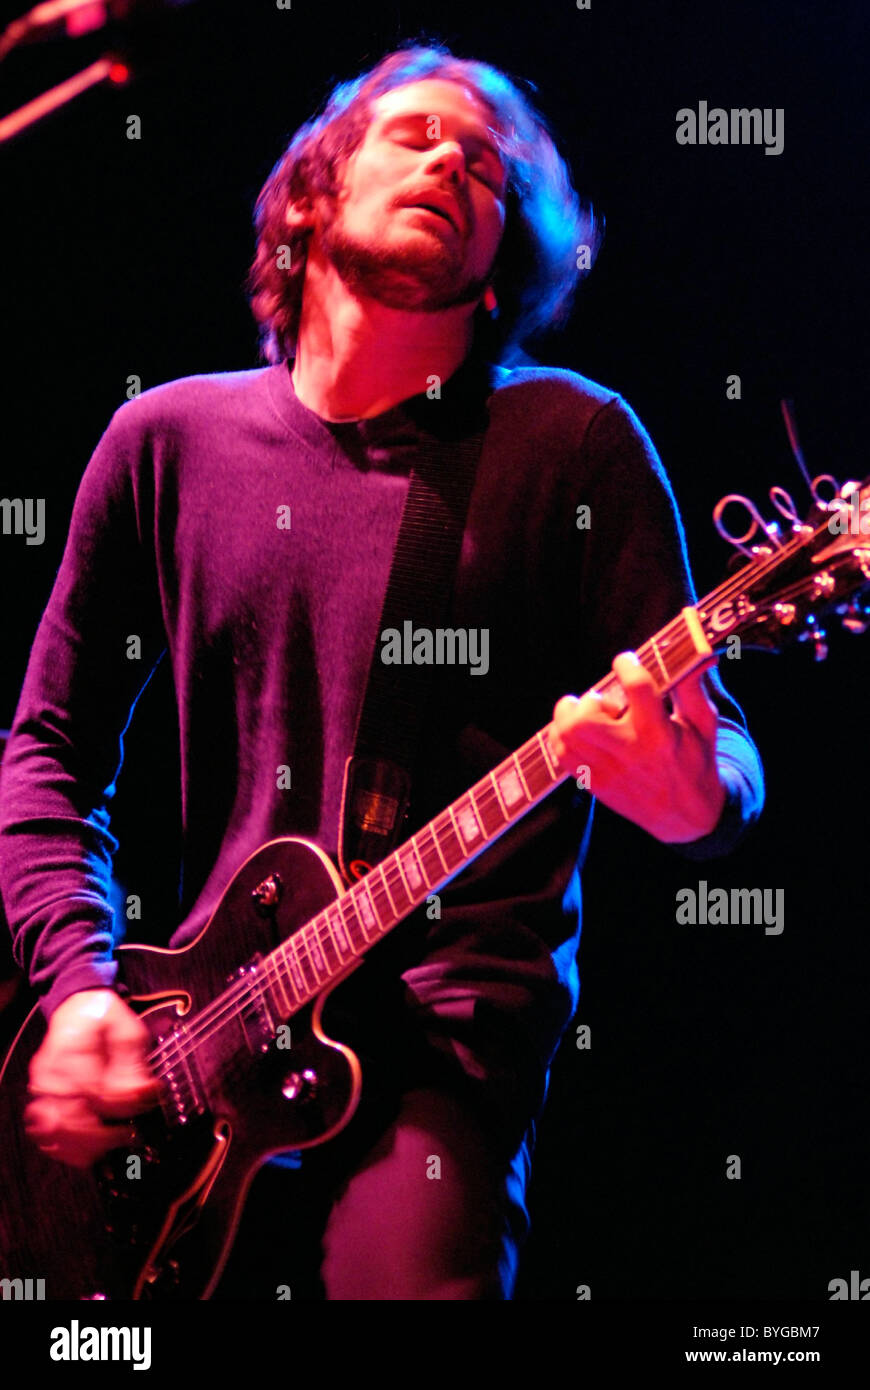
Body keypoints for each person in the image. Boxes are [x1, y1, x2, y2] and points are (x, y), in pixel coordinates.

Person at [0, 41, 764, 1300]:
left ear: (504, 251)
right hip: (204, 1051)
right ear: (314, 192)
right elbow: (51, 750)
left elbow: (720, 768)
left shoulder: (569, 442)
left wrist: (677, 788)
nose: (457, 163)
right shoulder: (166, 440)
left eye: (488, 168)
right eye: (416, 134)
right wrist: (81, 986)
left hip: (444, 1059)